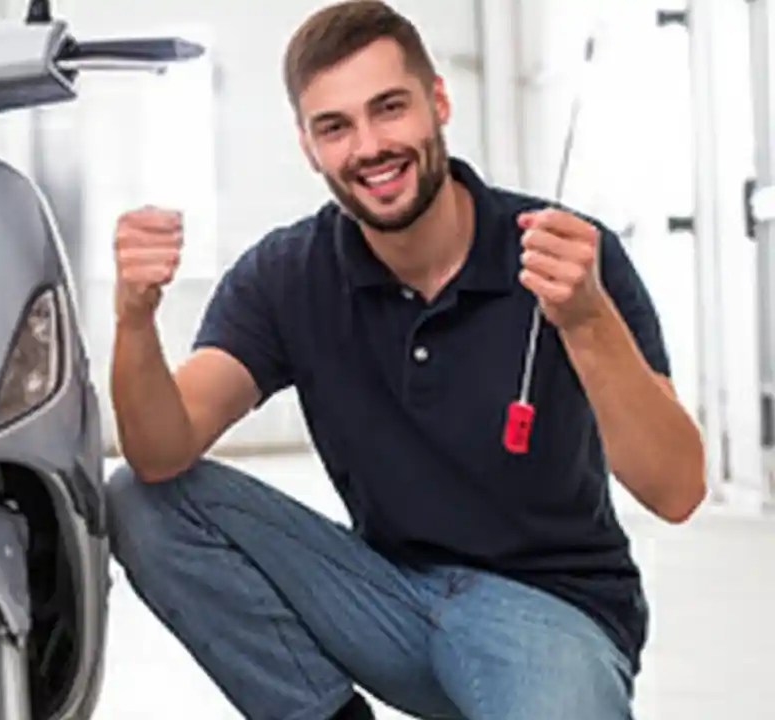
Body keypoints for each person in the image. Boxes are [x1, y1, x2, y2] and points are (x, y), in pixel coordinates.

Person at [104, 2, 707, 718]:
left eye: (389, 109)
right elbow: (159, 452)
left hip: (549, 614)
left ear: (438, 102)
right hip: (383, 596)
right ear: (308, 146)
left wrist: (585, 320)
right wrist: (134, 318)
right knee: (139, 499)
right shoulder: (286, 274)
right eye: (336, 126)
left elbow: (677, 490)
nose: (369, 147)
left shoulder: (570, 256)